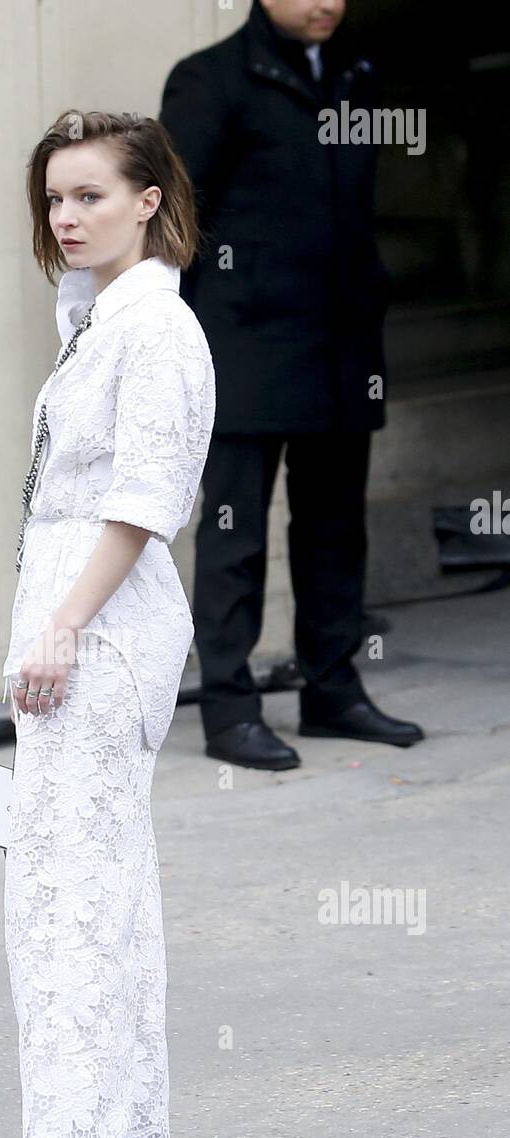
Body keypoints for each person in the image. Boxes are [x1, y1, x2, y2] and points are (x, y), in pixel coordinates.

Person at [0, 110, 215, 1138]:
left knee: (67, 906)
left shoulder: (156, 332)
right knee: (95, 893)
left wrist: (62, 628)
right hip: (70, 620)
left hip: (98, 629)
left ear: (147, 199)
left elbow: (142, 499)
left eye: (89, 195)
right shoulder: (92, 322)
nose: (66, 218)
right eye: (53, 199)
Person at [159, 0, 425, 770]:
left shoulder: (357, 75)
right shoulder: (210, 82)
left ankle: (333, 692)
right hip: (244, 342)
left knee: (336, 527)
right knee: (236, 534)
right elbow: (173, 216)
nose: (327, 2)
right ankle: (230, 711)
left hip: (342, 343)